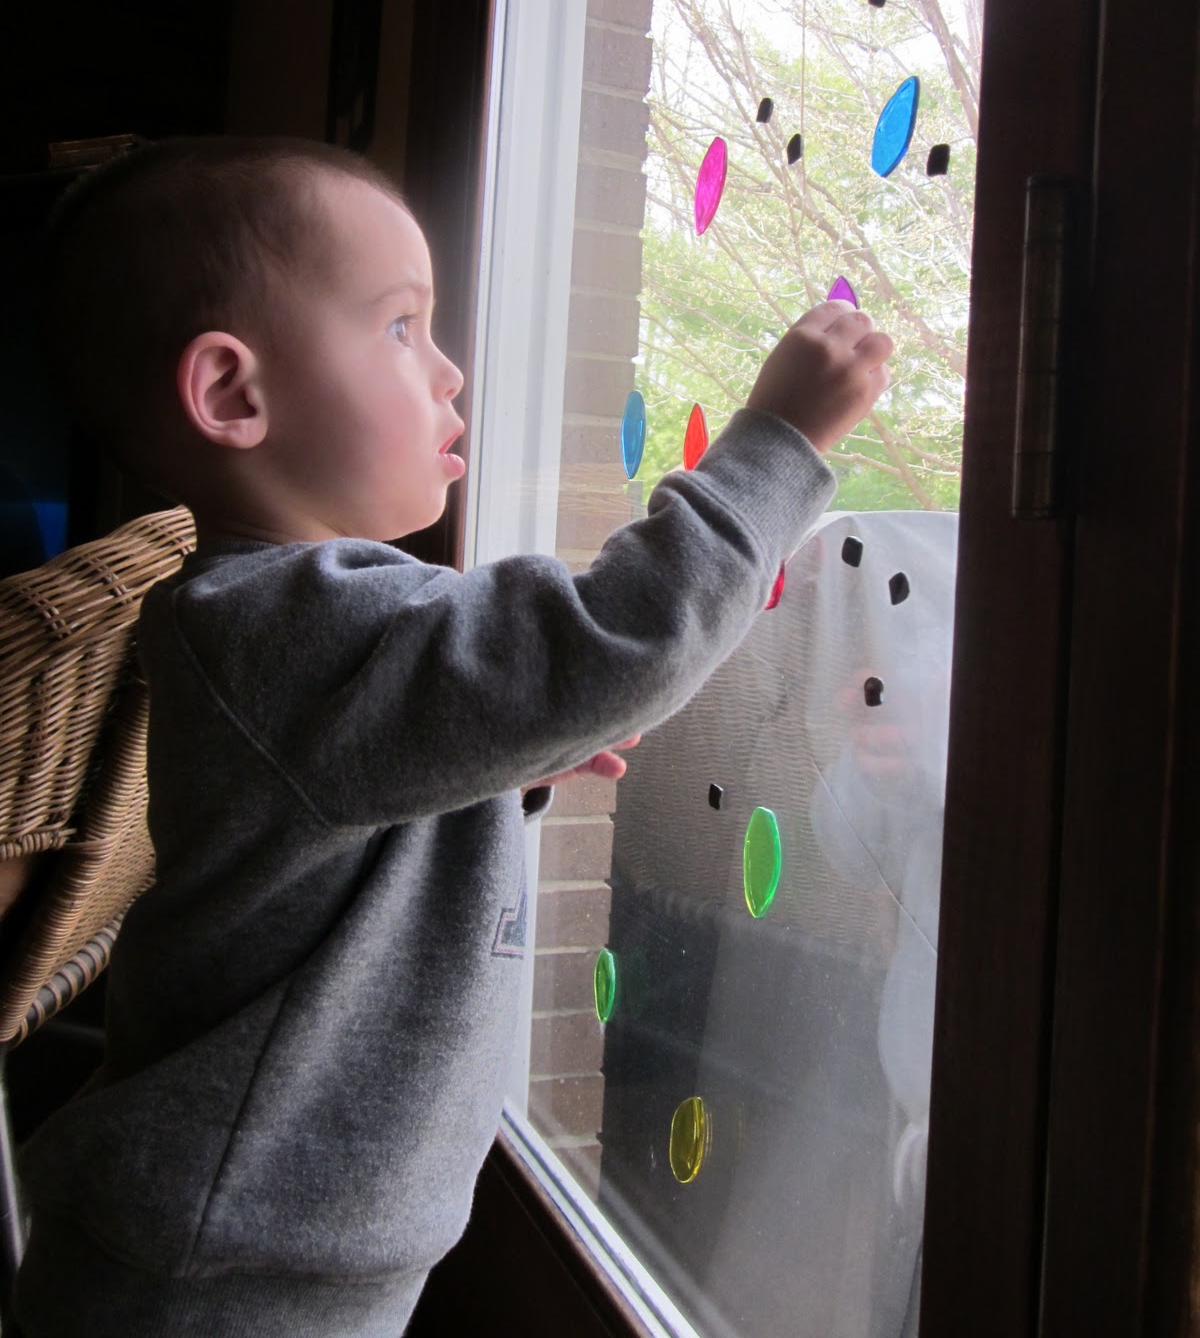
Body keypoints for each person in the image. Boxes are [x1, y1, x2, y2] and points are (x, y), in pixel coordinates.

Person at [13, 136, 893, 1336]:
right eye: (400, 326)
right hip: (216, 1284)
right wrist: (776, 445)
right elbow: (613, 642)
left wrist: (497, 763)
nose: (451, 370)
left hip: (259, 1251)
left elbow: (349, 806)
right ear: (232, 394)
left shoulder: (296, 626)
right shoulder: (287, 624)